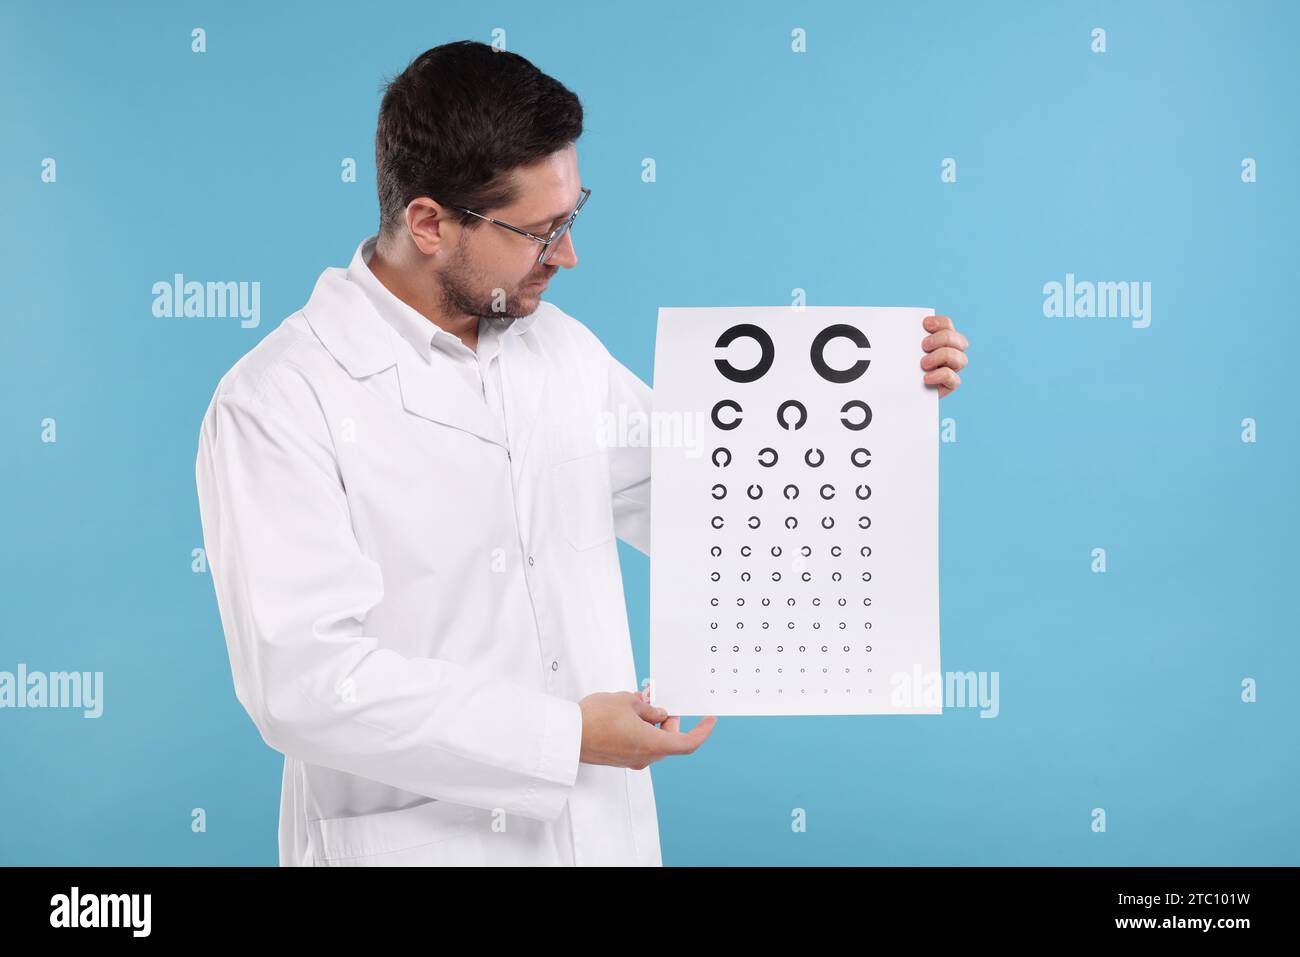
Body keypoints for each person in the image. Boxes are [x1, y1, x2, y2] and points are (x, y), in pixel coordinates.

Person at [194, 39, 970, 867]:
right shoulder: (277, 402)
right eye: (539, 231)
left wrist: (882, 403)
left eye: (572, 216)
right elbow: (305, 685)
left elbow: (712, 507)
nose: (568, 255)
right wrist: (562, 736)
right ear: (428, 223)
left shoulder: (560, 351)